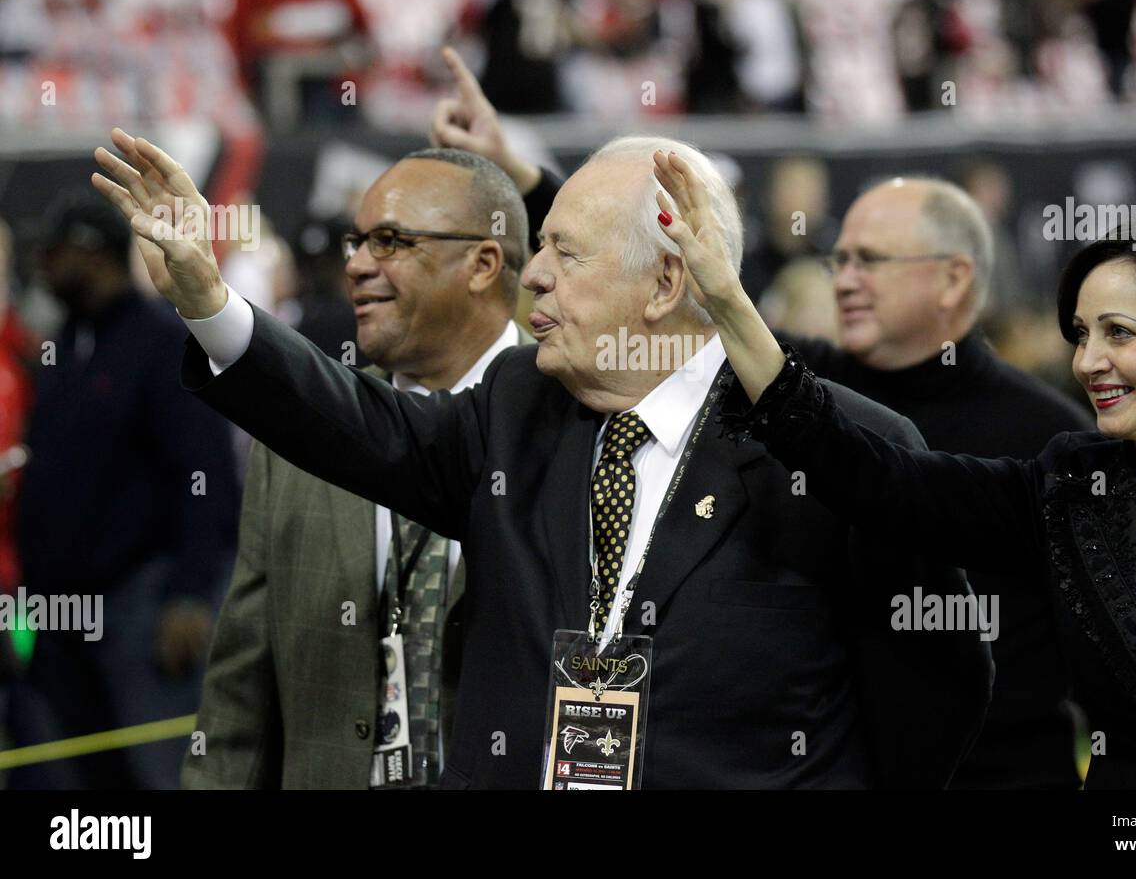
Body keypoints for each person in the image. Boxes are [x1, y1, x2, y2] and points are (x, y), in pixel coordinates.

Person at [92, 127, 991, 789]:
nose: (534, 277)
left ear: (667, 283)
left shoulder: (842, 449)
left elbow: (932, 696)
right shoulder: (519, 405)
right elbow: (360, 424)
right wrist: (210, 301)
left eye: (564, 251)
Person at [659, 158, 1136, 788]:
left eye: (1119, 333)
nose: (1087, 361)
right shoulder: (1073, 486)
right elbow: (881, 479)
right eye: (1080, 334)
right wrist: (726, 298)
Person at [183, 148, 534, 789]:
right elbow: (241, 685)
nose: (356, 265)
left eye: (390, 241)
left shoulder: (573, 420)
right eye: (356, 242)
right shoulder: (297, 439)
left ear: (483, 264)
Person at [782, 177, 1092, 789]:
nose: (842, 281)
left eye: (868, 260)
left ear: (953, 279)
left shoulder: (1050, 433)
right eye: (838, 261)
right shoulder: (801, 391)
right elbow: (691, 319)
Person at [7, 197, 238, 789]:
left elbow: (205, 473)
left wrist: (190, 593)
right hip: (60, 616)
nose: (44, 265)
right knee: (80, 782)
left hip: (140, 602)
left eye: (56, 252)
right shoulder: (63, 347)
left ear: (92, 253)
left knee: (162, 772)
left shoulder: (161, 341)